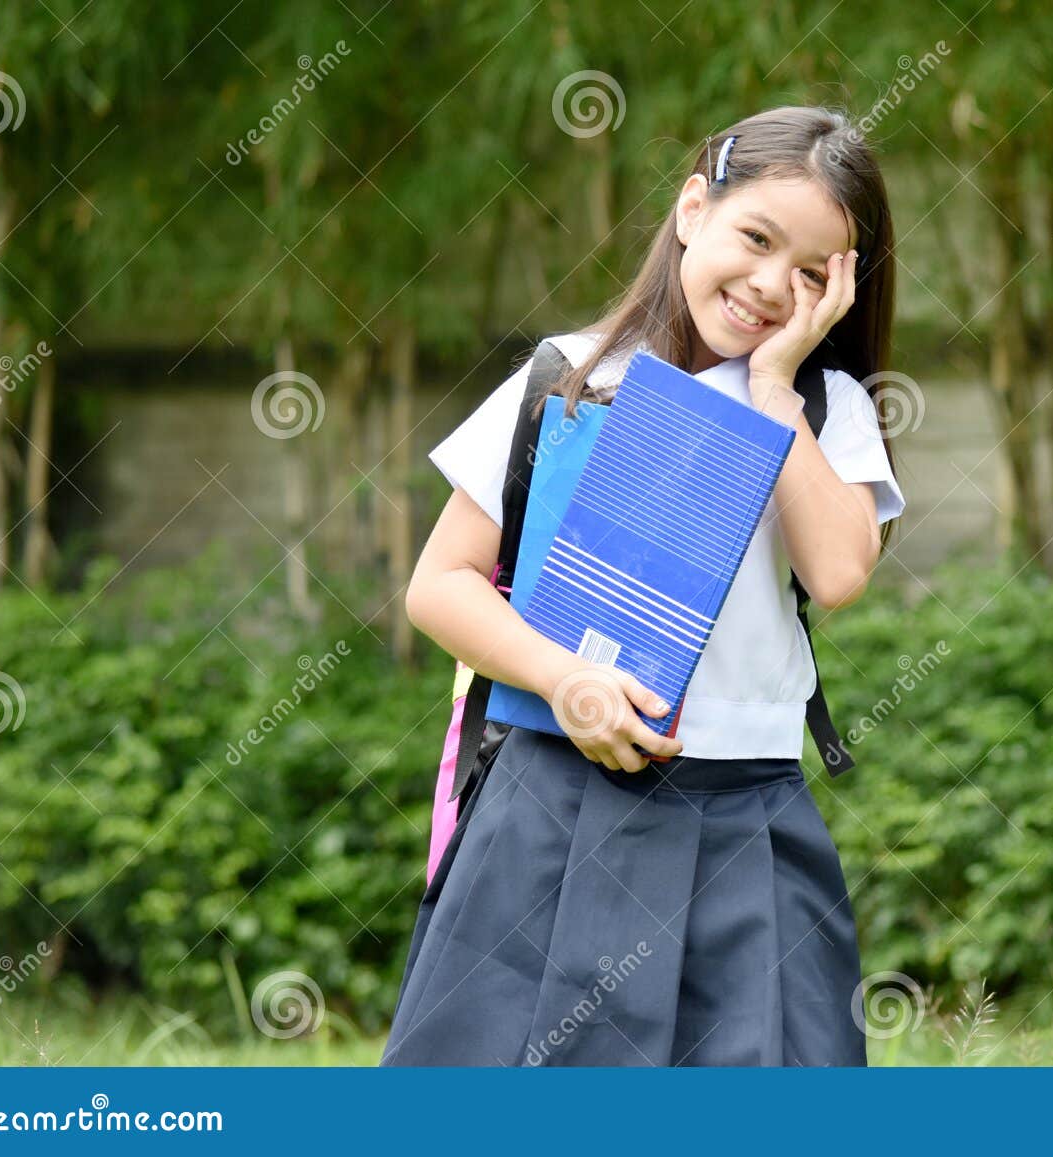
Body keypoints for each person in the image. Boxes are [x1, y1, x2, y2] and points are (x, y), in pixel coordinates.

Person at [381, 105, 905, 1067]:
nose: (766, 286)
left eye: (808, 271)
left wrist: (777, 390)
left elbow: (838, 572)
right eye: (754, 238)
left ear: (840, 290)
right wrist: (564, 681)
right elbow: (441, 584)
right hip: (552, 800)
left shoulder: (825, 410)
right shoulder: (569, 378)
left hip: (747, 815)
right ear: (692, 209)